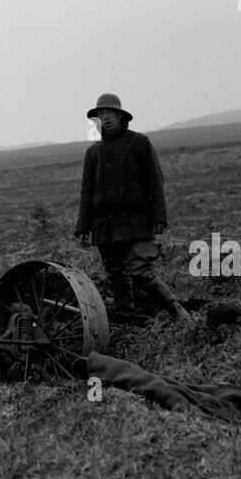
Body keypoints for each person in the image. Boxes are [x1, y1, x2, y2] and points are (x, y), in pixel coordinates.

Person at [75, 93, 190, 323]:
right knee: (115, 273)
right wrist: (83, 227)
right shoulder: (93, 153)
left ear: (120, 116)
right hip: (104, 226)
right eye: (101, 114)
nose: (105, 118)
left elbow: (155, 182)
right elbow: (86, 193)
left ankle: (177, 311)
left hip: (136, 221)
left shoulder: (140, 143)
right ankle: (127, 315)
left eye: (109, 113)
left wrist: (159, 216)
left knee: (140, 271)